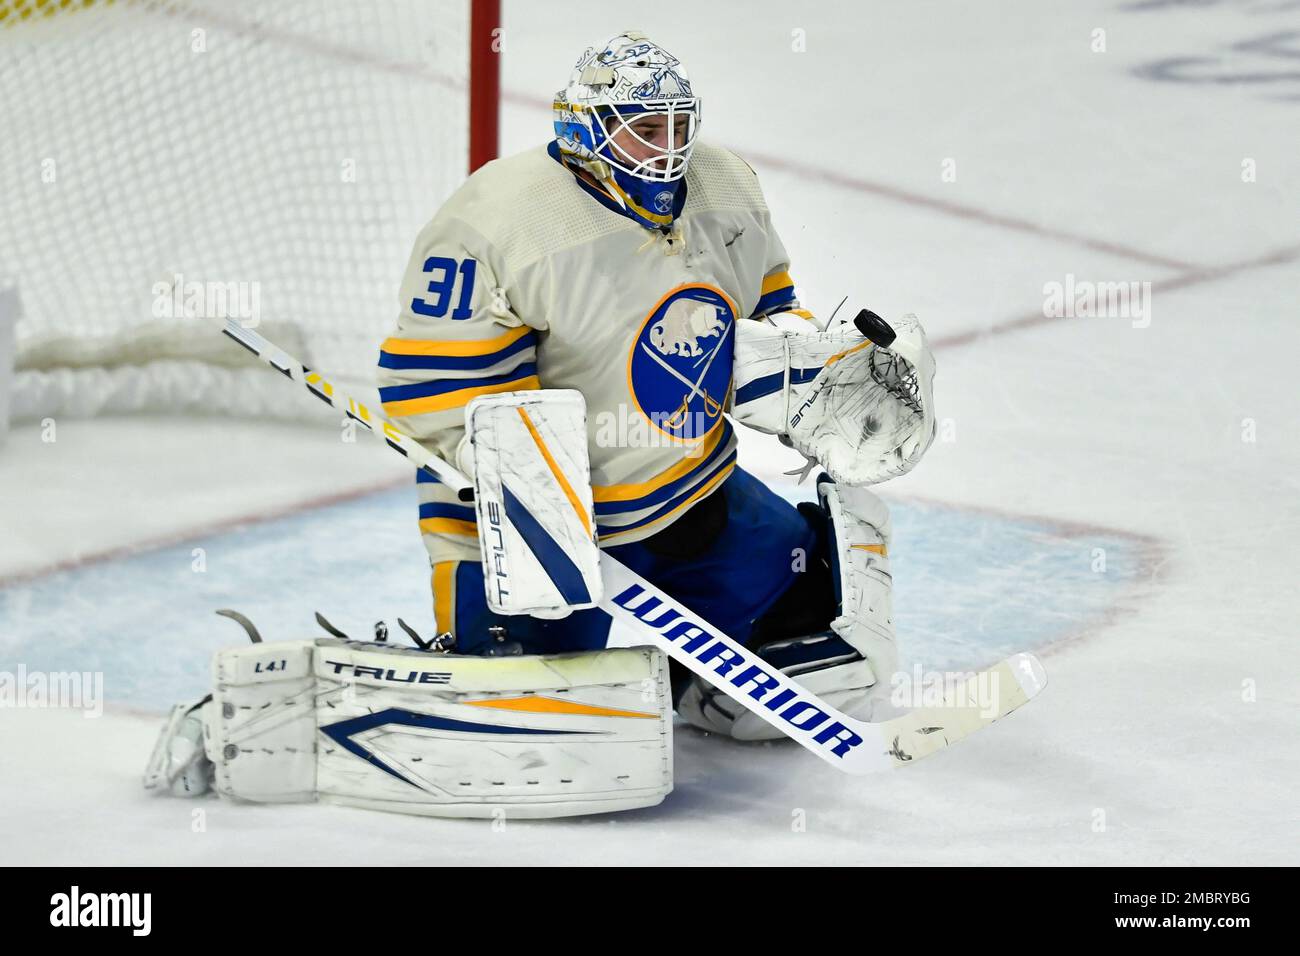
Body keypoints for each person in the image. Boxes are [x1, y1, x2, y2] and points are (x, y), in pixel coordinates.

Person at [378, 31, 936, 739]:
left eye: (678, 124)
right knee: (534, 732)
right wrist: (533, 497)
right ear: (586, 132)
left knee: (832, 655)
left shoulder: (726, 185)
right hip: (530, 532)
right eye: (646, 129)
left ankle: (688, 681)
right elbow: (433, 391)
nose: (668, 147)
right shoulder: (495, 220)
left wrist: (821, 373)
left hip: (689, 497)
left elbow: (766, 309)